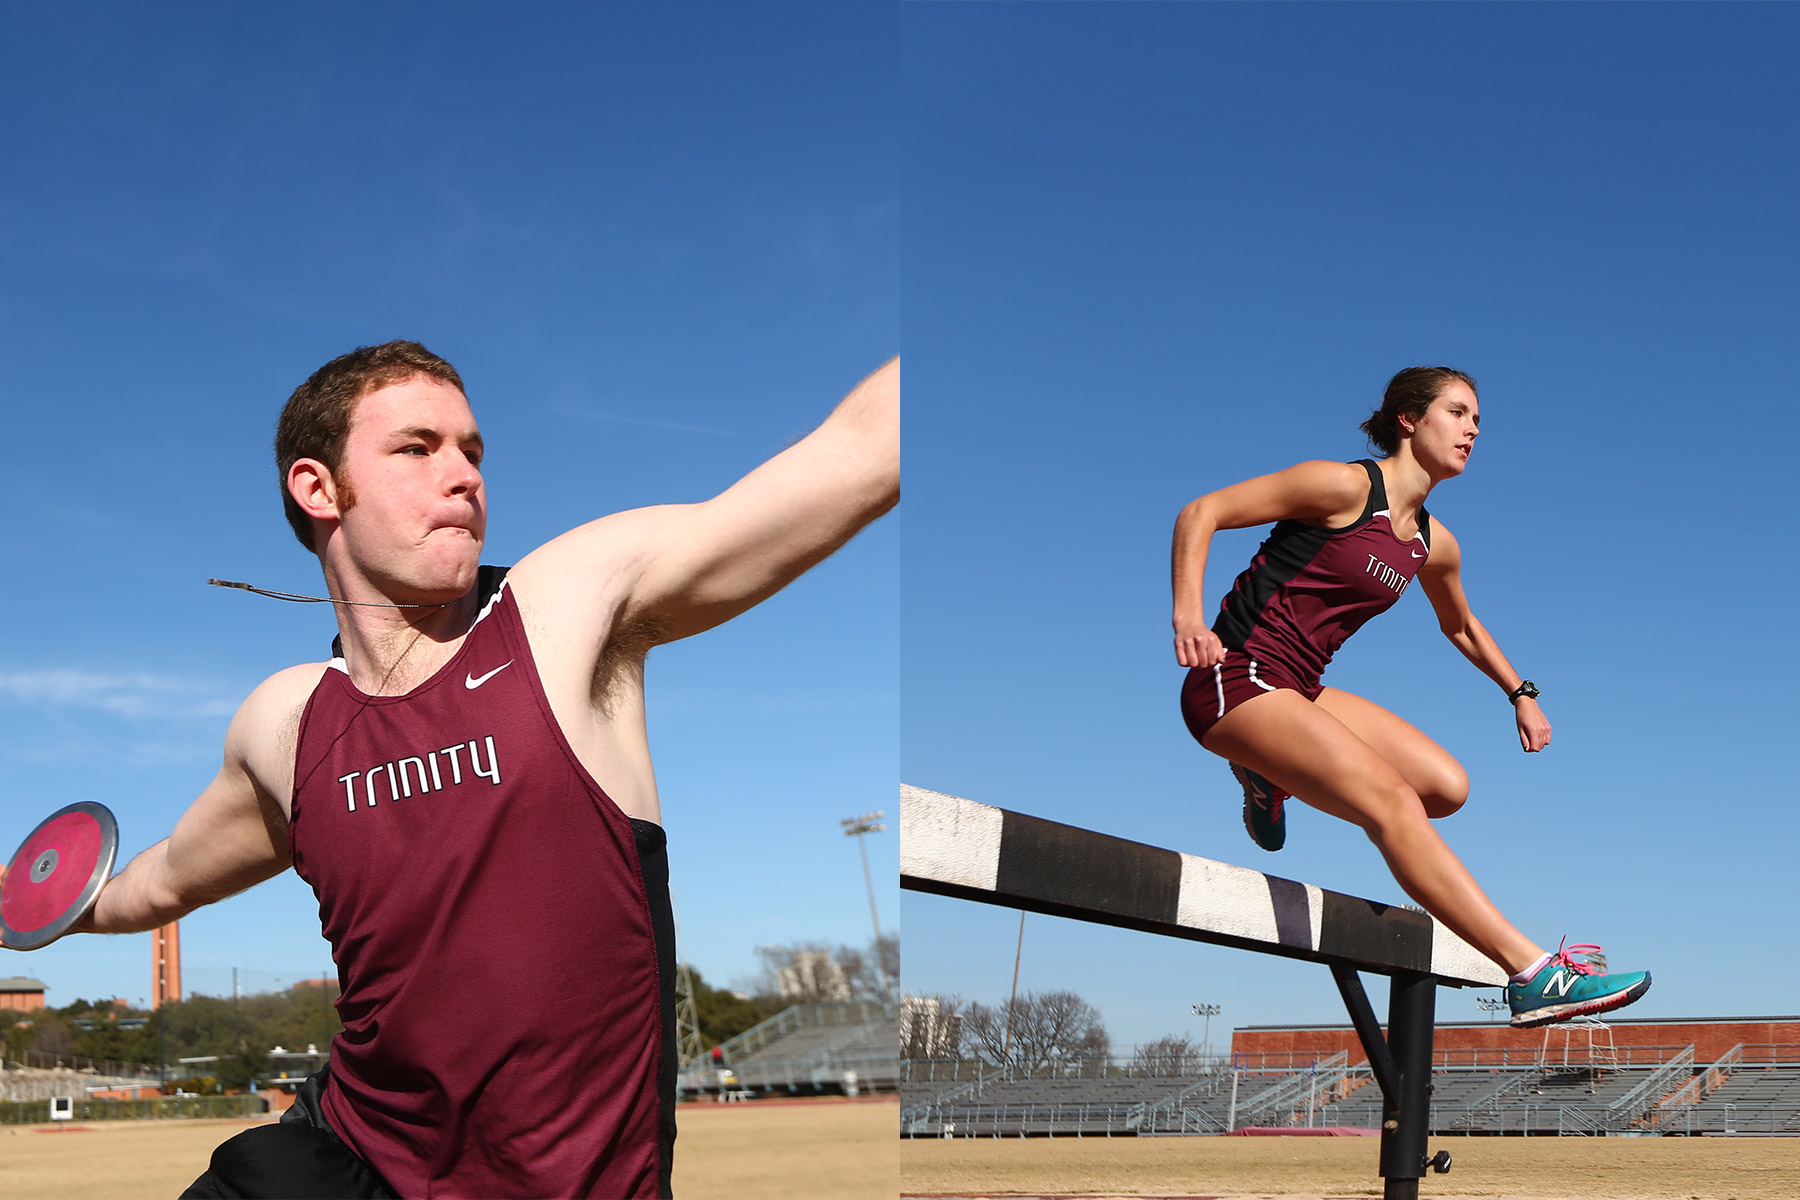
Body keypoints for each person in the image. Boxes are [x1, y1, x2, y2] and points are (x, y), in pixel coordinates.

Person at [6, 341, 898, 1198]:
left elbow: (856, 456)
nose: (465, 474)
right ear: (318, 488)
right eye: (416, 448)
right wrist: (31, 913)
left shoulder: (563, 610)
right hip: (345, 1161)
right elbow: (161, 880)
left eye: (472, 450)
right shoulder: (285, 721)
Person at [1170, 366, 1647, 1030]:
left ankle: (1266, 772)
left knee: (1446, 787)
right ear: (1408, 420)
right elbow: (1203, 512)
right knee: (1390, 800)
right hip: (1234, 675)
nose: (1473, 429)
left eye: (1479, 420)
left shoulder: (1432, 543)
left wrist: (1522, 693)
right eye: (1458, 412)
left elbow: (1460, 626)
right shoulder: (1342, 487)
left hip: (1301, 691)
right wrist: (1189, 618)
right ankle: (1532, 972)